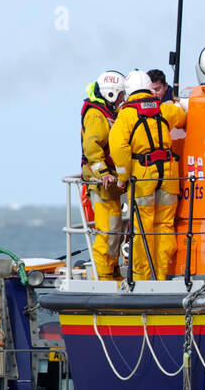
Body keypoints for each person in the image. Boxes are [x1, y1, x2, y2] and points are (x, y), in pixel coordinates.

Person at [110, 69, 187, 280]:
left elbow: (119, 148)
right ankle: (161, 276)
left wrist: (123, 177)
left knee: (142, 228)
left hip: (143, 176)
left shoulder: (125, 115)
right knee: (165, 225)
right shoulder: (163, 109)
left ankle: (144, 279)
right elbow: (181, 116)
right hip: (170, 175)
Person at [80, 70, 126, 280]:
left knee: (114, 231)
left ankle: (111, 272)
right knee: (106, 233)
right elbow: (92, 148)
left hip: (111, 187)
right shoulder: (96, 115)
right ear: (110, 94)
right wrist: (104, 173)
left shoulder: (105, 113)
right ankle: (103, 277)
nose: (122, 99)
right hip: (102, 184)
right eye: (120, 95)